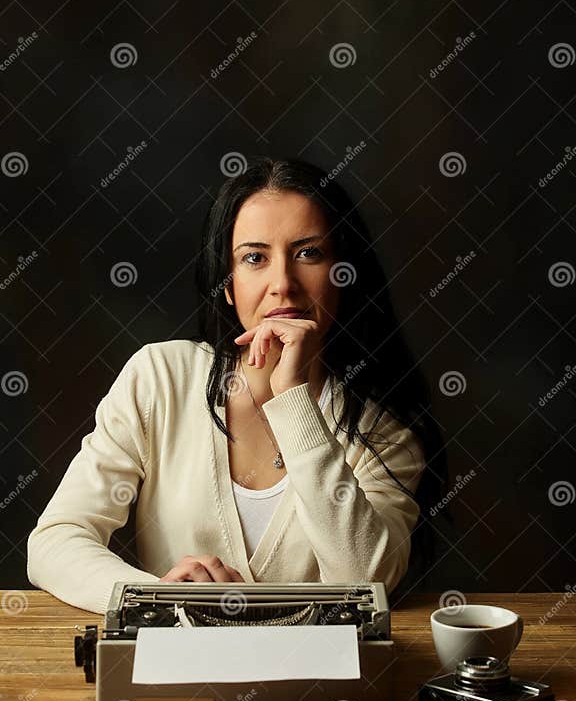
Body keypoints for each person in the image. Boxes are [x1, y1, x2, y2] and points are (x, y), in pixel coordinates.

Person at [27, 155, 448, 614]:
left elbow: (365, 583)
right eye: (254, 258)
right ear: (227, 285)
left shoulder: (384, 434)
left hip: (316, 662)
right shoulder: (161, 379)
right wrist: (161, 599)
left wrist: (293, 397)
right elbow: (55, 542)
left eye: (309, 253)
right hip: (178, 656)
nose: (282, 284)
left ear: (342, 276)